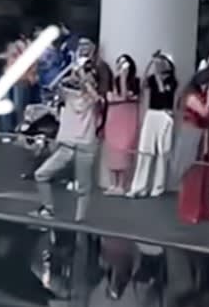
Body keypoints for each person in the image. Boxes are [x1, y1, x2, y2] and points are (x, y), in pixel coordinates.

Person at [33, 58, 100, 221]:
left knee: (83, 187)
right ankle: (48, 209)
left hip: (85, 146)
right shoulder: (70, 95)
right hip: (66, 146)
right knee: (41, 174)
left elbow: (96, 98)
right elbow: (53, 86)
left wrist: (85, 77)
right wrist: (71, 72)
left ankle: (79, 220)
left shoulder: (95, 99)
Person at [130, 51, 179, 197]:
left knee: (162, 152)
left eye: (162, 62)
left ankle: (158, 187)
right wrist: (149, 65)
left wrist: (158, 75)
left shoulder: (172, 81)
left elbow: (164, 92)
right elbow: (144, 85)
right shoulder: (152, 78)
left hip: (165, 114)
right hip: (152, 113)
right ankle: (139, 187)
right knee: (145, 150)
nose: (158, 65)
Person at [177, 62, 209, 224]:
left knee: (205, 174)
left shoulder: (202, 95)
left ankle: (205, 209)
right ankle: (190, 210)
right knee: (192, 173)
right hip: (192, 135)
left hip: (204, 136)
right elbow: (204, 112)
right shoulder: (191, 97)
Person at [100, 54, 142, 194]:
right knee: (112, 148)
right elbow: (111, 98)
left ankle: (122, 184)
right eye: (119, 63)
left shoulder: (135, 81)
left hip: (127, 118)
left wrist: (123, 79)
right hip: (114, 117)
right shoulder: (113, 80)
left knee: (124, 149)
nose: (121, 66)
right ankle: (113, 183)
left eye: (124, 63)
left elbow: (124, 96)